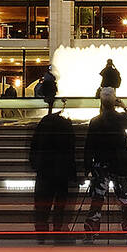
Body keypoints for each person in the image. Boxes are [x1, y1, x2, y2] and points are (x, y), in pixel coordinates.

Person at [81, 95, 127, 244]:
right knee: (126, 199)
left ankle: (91, 232)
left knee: (97, 199)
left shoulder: (95, 121)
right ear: (114, 103)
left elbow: (89, 145)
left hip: (100, 164)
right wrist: (124, 107)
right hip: (120, 164)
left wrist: (87, 166)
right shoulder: (120, 118)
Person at [29, 100, 78, 244]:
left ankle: (41, 235)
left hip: (44, 170)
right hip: (61, 171)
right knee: (59, 205)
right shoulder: (66, 125)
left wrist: (35, 164)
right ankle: (58, 233)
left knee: (42, 204)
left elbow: (34, 146)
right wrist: (72, 172)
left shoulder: (43, 124)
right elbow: (70, 149)